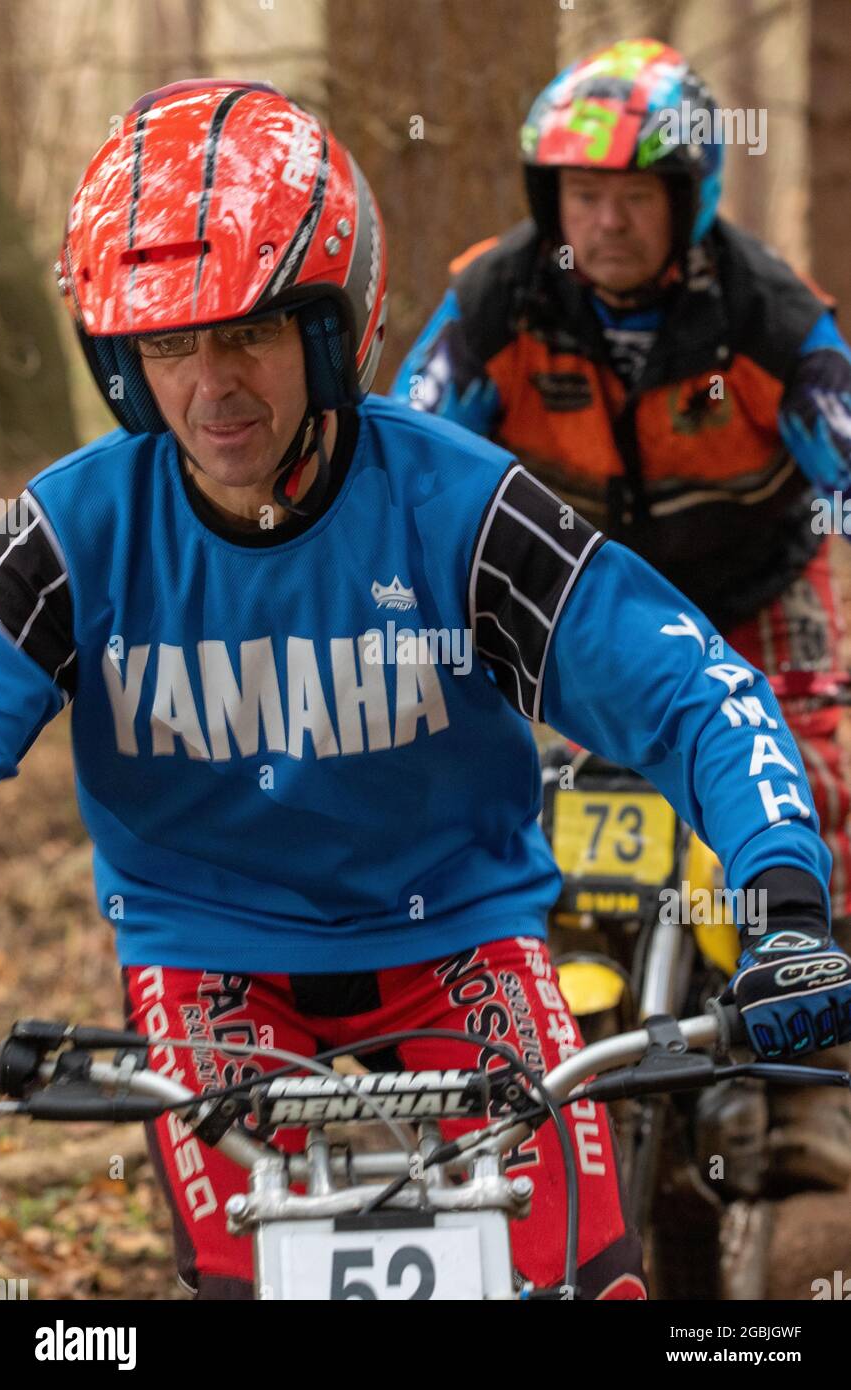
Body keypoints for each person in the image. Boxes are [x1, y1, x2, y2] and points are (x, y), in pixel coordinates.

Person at [0, 79, 848, 1302]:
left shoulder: (461, 508)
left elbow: (692, 691)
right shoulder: (71, 536)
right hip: (204, 955)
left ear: (331, 327)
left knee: (590, 1287)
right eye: (168, 344)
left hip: (457, 941)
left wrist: (781, 900)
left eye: (247, 332)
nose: (210, 386)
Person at [392, 37, 851, 1192]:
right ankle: (518, 1030)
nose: (602, 222)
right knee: (507, 794)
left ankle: (810, 1066)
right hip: (571, 607)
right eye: (580, 195)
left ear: (688, 198)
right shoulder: (493, 299)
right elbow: (400, 452)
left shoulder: (768, 313)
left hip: (757, 588)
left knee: (818, 781)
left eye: (631, 196)